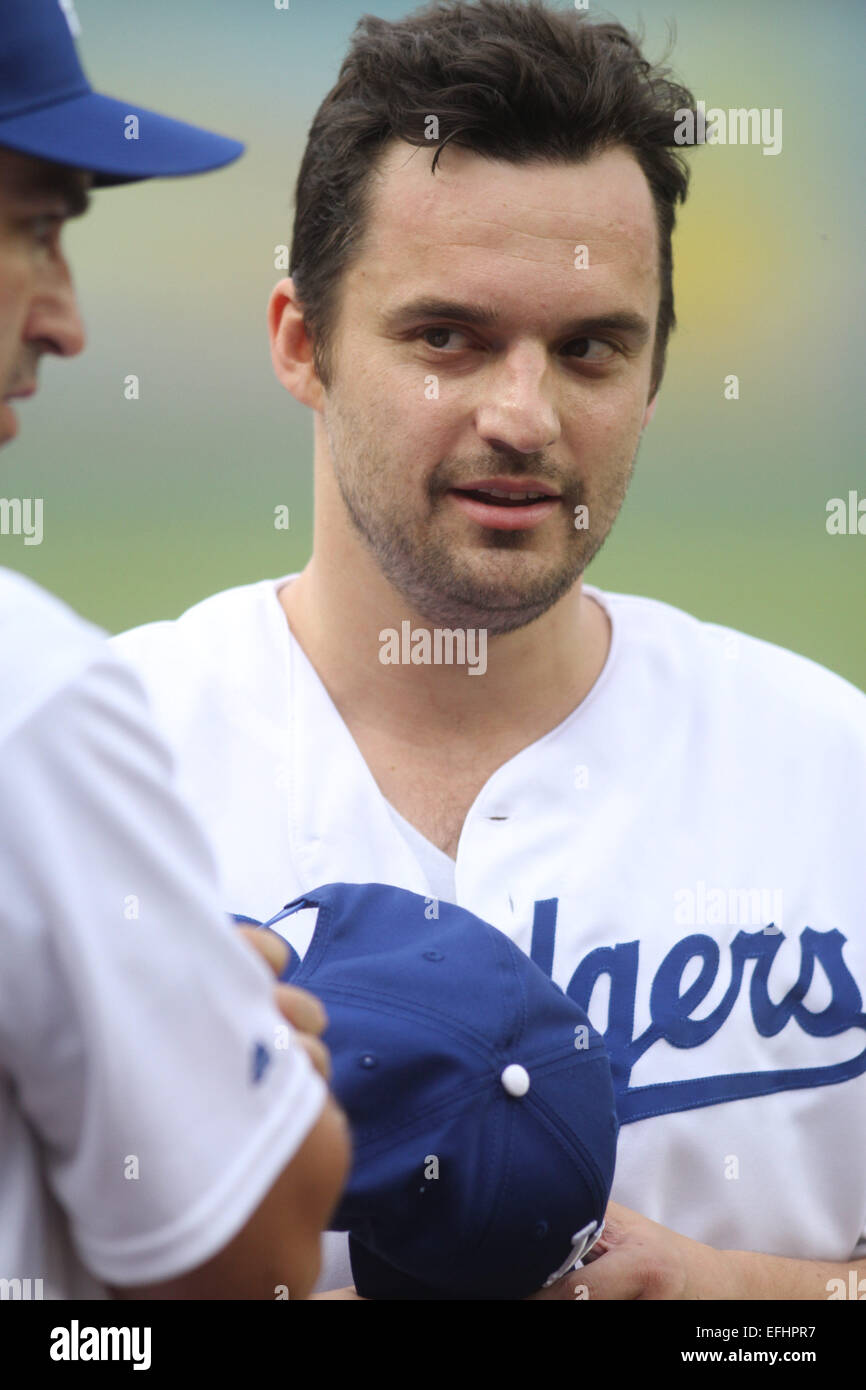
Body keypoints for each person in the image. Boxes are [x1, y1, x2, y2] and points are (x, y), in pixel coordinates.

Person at [113, 0, 866, 1299]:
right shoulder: (87, 780)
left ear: (654, 371)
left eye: (587, 349)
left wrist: (762, 1302)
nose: (522, 417)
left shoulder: (831, 774)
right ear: (302, 340)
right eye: (445, 337)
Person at [0, 0, 349, 1301]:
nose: (65, 321)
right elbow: (247, 1258)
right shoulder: (28, 694)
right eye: (36, 227)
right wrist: (232, 1057)